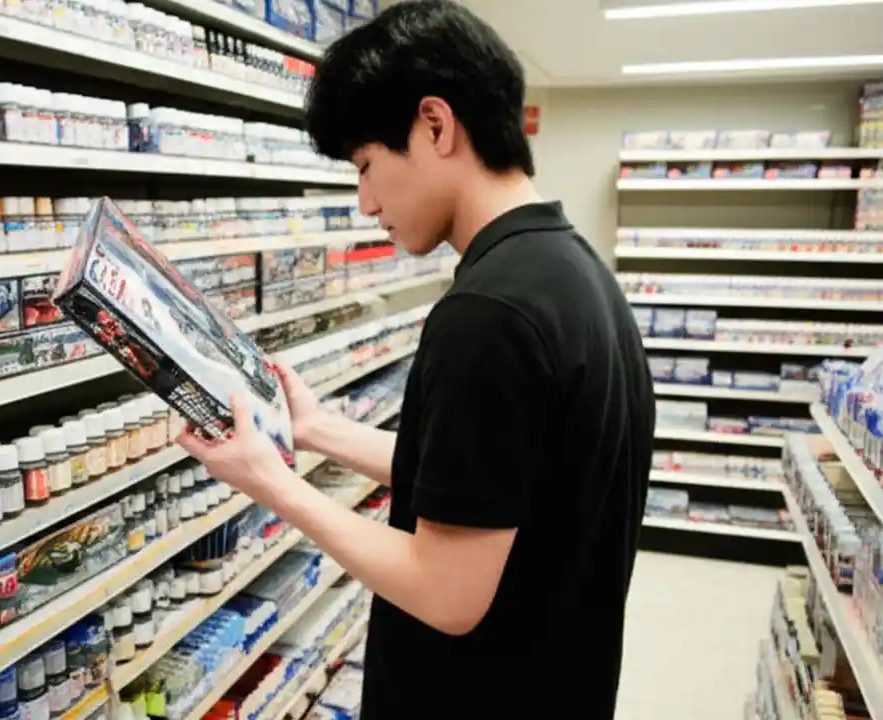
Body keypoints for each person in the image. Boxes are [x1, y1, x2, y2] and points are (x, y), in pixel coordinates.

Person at [176, 2, 654, 717]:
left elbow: (447, 593)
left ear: (436, 124)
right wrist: (316, 430)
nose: (366, 201)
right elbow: (489, 483)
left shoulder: (488, 314)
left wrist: (274, 485)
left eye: (367, 165)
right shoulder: (569, 272)